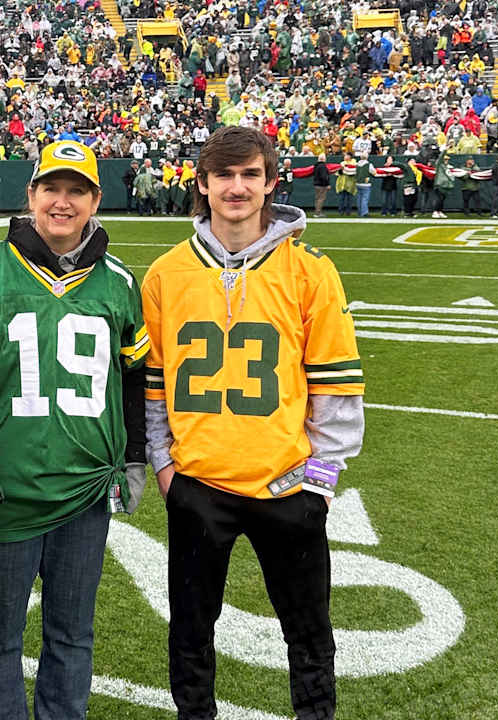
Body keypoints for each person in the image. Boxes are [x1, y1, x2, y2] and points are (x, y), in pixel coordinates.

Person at [142, 126, 364, 720]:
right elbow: (156, 382)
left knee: (309, 630)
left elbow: (336, 385)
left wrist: (320, 476)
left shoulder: (311, 269)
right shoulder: (165, 272)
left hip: (286, 484)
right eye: (224, 175)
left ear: (270, 183)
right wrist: (165, 465)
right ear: (203, 183)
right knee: (190, 631)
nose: (236, 187)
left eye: (249, 175)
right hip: (198, 486)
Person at [0, 140, 150, 720]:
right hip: (3, 487)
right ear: (31, 194)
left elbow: (134, 377)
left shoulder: (118, 280)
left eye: (77, 191)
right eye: (52, 189)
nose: (62, 203)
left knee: (71, 632)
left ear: (95, 200)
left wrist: (133, 454)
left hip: (85, 491)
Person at [311, 153, 330, 217]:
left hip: (317, 184)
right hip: (321, 185)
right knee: (321, 199)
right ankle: (318, 213)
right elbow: (324, 177)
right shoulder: (322, 166)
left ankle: (317, 211)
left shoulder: (316, 166)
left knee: (317, 199)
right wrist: (327, 184)